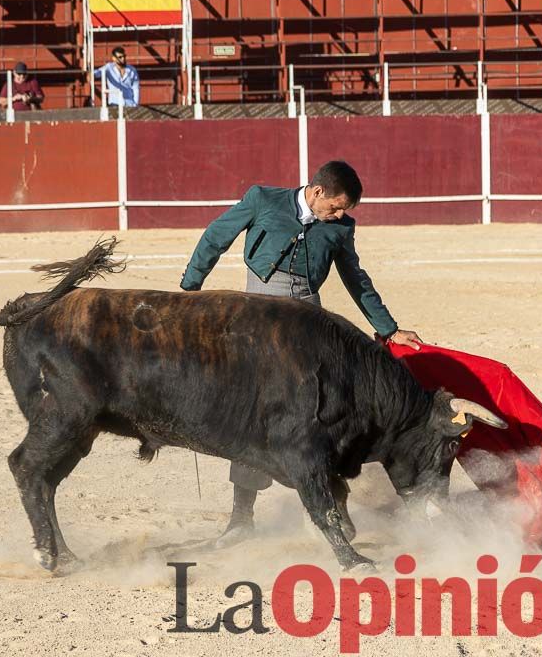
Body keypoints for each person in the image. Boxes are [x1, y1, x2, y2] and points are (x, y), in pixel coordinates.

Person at [179, 160, 424, 545]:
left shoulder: (341, 228)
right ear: (317, 192)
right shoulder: (263, 199)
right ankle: (242, 517)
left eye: (345, 211)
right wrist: (191, 289)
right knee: (252, 416)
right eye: (337, 207)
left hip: (310, 327)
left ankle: (331, 505)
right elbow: (217, 235)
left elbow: (355, 278)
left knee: (320, 414)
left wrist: (389, 329)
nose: (340, 215)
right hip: (256, 322)